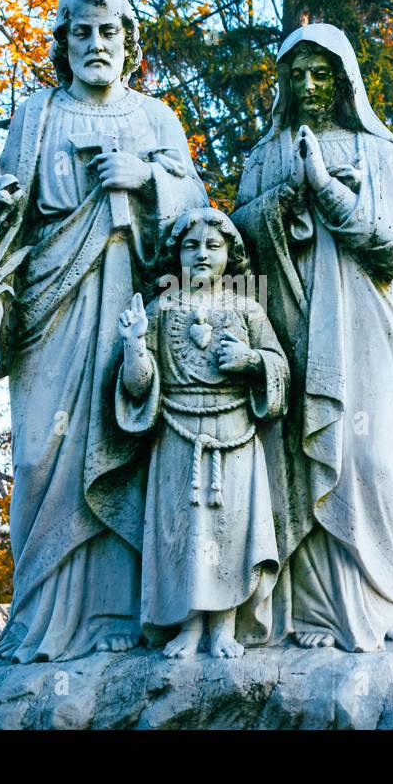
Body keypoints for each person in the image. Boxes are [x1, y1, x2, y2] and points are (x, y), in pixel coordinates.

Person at [0, 0, 208, 662]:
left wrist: (144, 177)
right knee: (43, 456)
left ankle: (121, 617)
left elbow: (198, 213)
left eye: (109, 32)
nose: (96, 44)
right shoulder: (37, 114)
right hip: (52, 310)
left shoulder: (156, 119)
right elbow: (8, 211)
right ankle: (41, 622)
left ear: (129, 43)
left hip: (131, 302)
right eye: (81, 33)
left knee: (128, 451)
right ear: (62, 44)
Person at [231, 23, 393, 652]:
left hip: (360, 324)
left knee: (364, 458)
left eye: (323, 73)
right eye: (298, 73)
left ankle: (380, 604)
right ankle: (308, 617)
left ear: (344, 81)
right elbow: (233, 249)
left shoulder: (377, 154)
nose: (310, 85)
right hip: (287, 323)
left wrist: (326, 191)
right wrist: (278, 203)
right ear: (284, 84)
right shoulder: (263, 157)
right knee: (292, 459)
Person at [115, 208, 288, 659]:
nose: (201, 255)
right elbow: (138, 385)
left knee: (231, 533)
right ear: (177, 255)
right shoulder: (160, 309)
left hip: (235, 438)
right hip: (176, 435)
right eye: (191, 246)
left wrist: (252, 361)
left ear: (230, 254)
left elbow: (280, 368)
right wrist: (134, 343)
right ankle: (189, 627)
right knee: (183, 533)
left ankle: (224, 628)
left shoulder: (247, 309)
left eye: (213, 246)